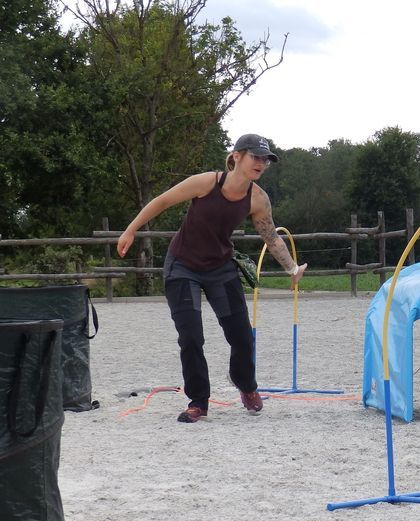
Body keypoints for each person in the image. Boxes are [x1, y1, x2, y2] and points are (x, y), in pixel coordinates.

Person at [117, 133, 307, 423]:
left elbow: (271, 237)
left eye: (266, 160)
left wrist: (292, 269)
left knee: (242, 336)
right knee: (191, 336)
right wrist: (131, 229)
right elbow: (162, 201)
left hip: (221, 268)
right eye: (255, 157)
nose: (261, 164)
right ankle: (198, 402)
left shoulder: (257, 199)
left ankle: (246, 385)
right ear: (237, 156)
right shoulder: (207, 182)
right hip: (183, 266)